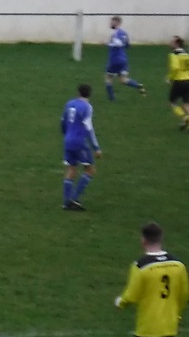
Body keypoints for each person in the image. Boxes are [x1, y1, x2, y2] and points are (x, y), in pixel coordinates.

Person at [61, 83, 101, 211]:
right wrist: (96, 147)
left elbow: (62, 121)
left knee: (71, 169)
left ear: (78, 93)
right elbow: (89, 128)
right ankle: (74, 199)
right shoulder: (87, 107)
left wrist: (66, 135)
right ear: (90, 94)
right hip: (79, 142)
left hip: (68, 140)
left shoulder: (69, 104)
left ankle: (66, 202)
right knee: (90, 170)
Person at [104, 17, 145, 100]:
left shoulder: (116, 33)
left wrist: (108, 44)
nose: (111, 24)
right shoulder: (124, 33)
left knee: (108, 77)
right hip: (123, 59)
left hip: (115, 59)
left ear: (118, 23)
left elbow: (118, 44)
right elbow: (127, 45)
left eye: (112, 22)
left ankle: (112, 98)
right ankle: (139, 86)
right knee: (123, 80)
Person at [168, 36, 189, 129]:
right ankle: (186, 124)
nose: (170, 43)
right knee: (186, 104)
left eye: (171, 42)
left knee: (172, 102)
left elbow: (175, 68)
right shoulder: (186, 54)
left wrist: (169, 78)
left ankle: (186, 118)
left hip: (179, 81)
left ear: (176, 43)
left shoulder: (174, 55)